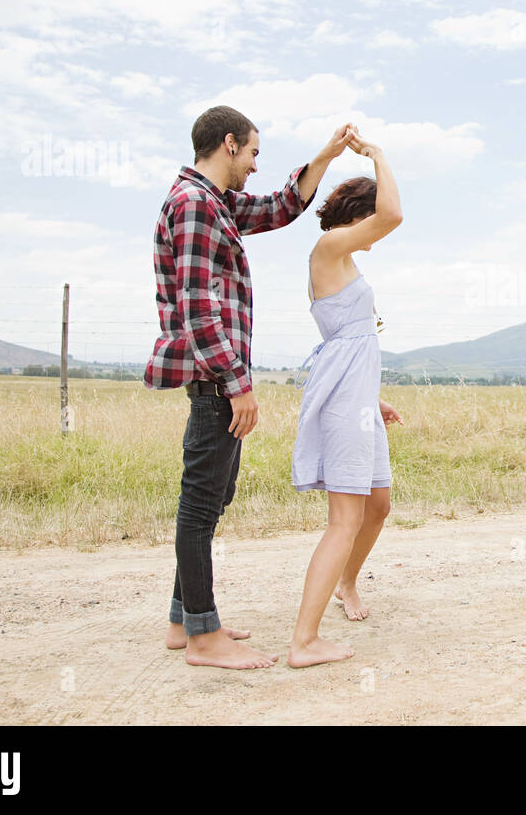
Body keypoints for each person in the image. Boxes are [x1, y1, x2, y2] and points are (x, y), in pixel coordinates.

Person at [145, 104, 356, 670]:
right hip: (218, 380)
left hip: (220, 378)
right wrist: (239, 384)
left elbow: (279, 209)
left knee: (212, 500)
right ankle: (202, 639)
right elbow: (198, 309)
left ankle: (182, 620)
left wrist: (327, 155)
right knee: (199, 508)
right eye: (256, 153)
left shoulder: (213, 202)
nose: (258, 166)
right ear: (230, 143)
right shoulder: (192, 205)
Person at [288, 125, 404, 668]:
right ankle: (304, 641)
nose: (377, 234)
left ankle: (346, 583)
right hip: (341, 402)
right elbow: (394, 215)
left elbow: (350, 344)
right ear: (358, 215)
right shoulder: (330, 247)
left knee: (376, 506)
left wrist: (372, 400)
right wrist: (376, 154)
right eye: (370, 220)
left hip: (356, 399)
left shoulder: (345, 259)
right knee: (344, 519)